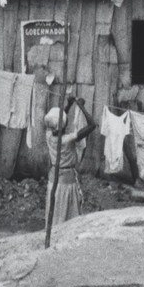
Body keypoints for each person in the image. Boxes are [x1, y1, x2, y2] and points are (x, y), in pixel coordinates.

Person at [42, 97, 94, 234]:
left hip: (53, 179)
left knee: (56, 210)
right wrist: (81, 107)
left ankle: (53, 233)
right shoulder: (67, 139)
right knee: (67, 210)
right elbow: (92, 125)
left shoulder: (48, 135)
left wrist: (69, 105)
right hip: (66, 181)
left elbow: (59, 122)